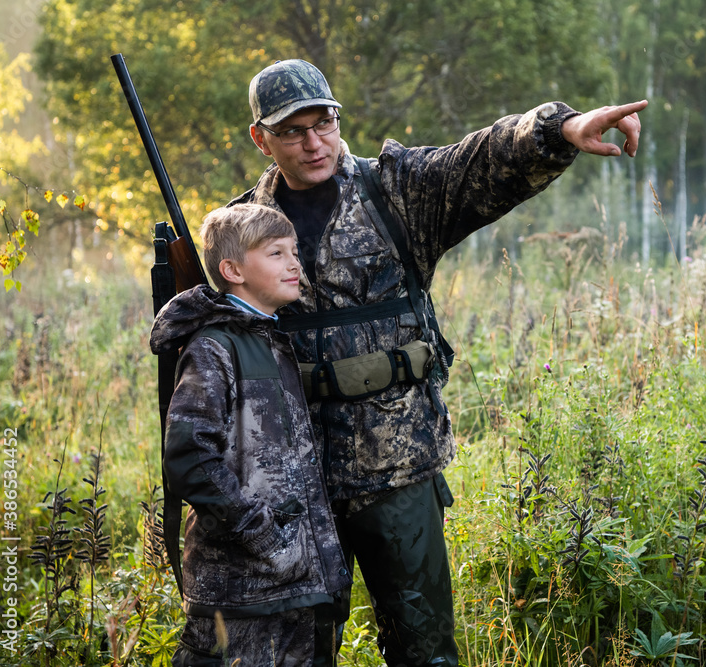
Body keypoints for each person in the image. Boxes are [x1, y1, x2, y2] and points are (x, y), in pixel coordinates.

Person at [233, 58, 647, 667]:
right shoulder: (242, 228)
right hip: (293, 483)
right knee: (291, 654)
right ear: (261, 138)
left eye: (324, 123)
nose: (314, 141)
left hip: (397, 471)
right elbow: (212, 344)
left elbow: (478, 160)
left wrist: (560, 128)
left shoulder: (395, 191)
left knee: (424, 651)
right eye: (293, 130)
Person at [150, 203, 352, 666]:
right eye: (276, 253)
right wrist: (266, 538)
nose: (294, 263)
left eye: (294, 251)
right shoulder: (214, 347)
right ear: (232, 270)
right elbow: (190, 457)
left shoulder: (270, 339)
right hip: (244, 594)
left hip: (291, 589)